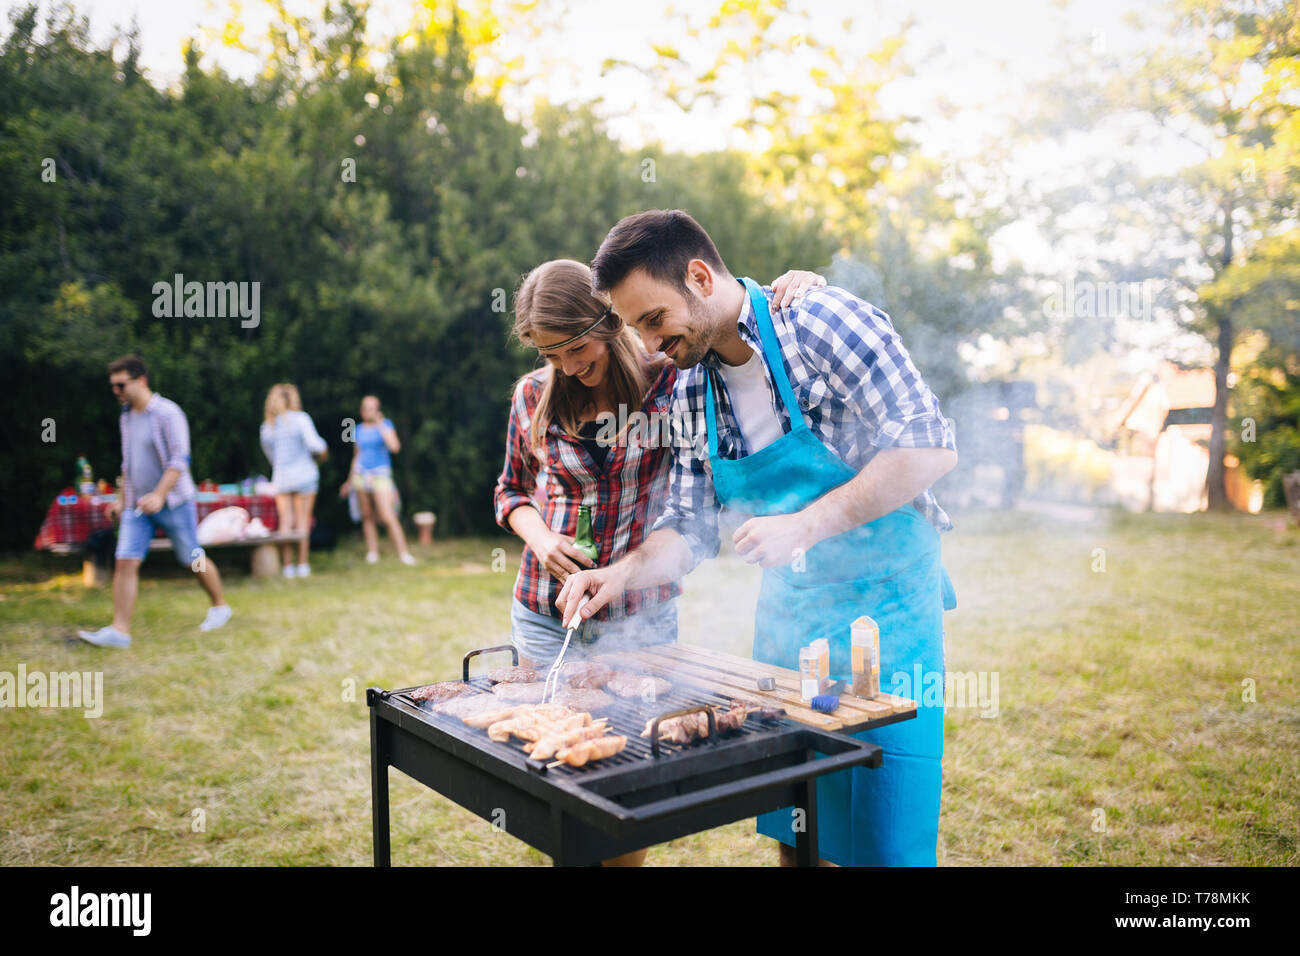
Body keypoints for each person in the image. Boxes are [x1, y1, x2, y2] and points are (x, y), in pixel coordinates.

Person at [557, 209, 958, 867]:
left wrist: (804, 526)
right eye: (636, 329)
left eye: (654, 319)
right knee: (798, 827)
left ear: (698, 276)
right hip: (791, 621)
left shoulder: (825, 325)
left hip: (886, 618)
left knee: (883, 830)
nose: (652, 345)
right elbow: (687, 526)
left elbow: (927, 449)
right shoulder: (690, 388)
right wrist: (619, 575)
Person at [496, 257, 826, 868]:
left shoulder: (668, 380)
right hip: (546, 615)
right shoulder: (532, 396)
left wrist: (798, 287)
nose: (567, 366)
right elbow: (511, 492)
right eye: (550, 352)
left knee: (628, 785)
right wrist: (540, 539)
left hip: (641, 617)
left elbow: (717, 309)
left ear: (606, 318)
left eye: (573, 346)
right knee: (556, 773)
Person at [78, 355, 232, 647]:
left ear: (141, 381)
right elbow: (128, 464)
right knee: (125, 561)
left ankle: (219, 606)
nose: (116, 391)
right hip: (138, 507)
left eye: (121, 385)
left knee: (192, 559)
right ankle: (120, 631)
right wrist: (121, 500)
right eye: (113, 386)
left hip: (174, 502)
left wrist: (160, 495)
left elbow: (179, 460)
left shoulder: (168, 413)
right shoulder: (126, 416)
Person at [260, 383, 328, 578]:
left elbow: (271, 457)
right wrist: (323, 450)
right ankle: (303, 564)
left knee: (285, 522)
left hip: (282, 478)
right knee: (302, 522)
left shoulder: (267, 427)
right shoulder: (301, 419)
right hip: (305, 476)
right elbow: (315, 445)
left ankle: (288, 566)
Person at [340, 395, 414, 565]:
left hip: (380, 474)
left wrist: (380, 424)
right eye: (365, 408)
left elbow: (395, 447)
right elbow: (356, 456)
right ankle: (372, 553)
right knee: (367, 516)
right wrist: (349, 481)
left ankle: (403, 553)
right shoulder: (356, 429)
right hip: (361, 475)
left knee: (388, 515)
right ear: (361, 411)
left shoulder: (386, 425)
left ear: (378, 410)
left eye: (372, 408)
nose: (368, 411)